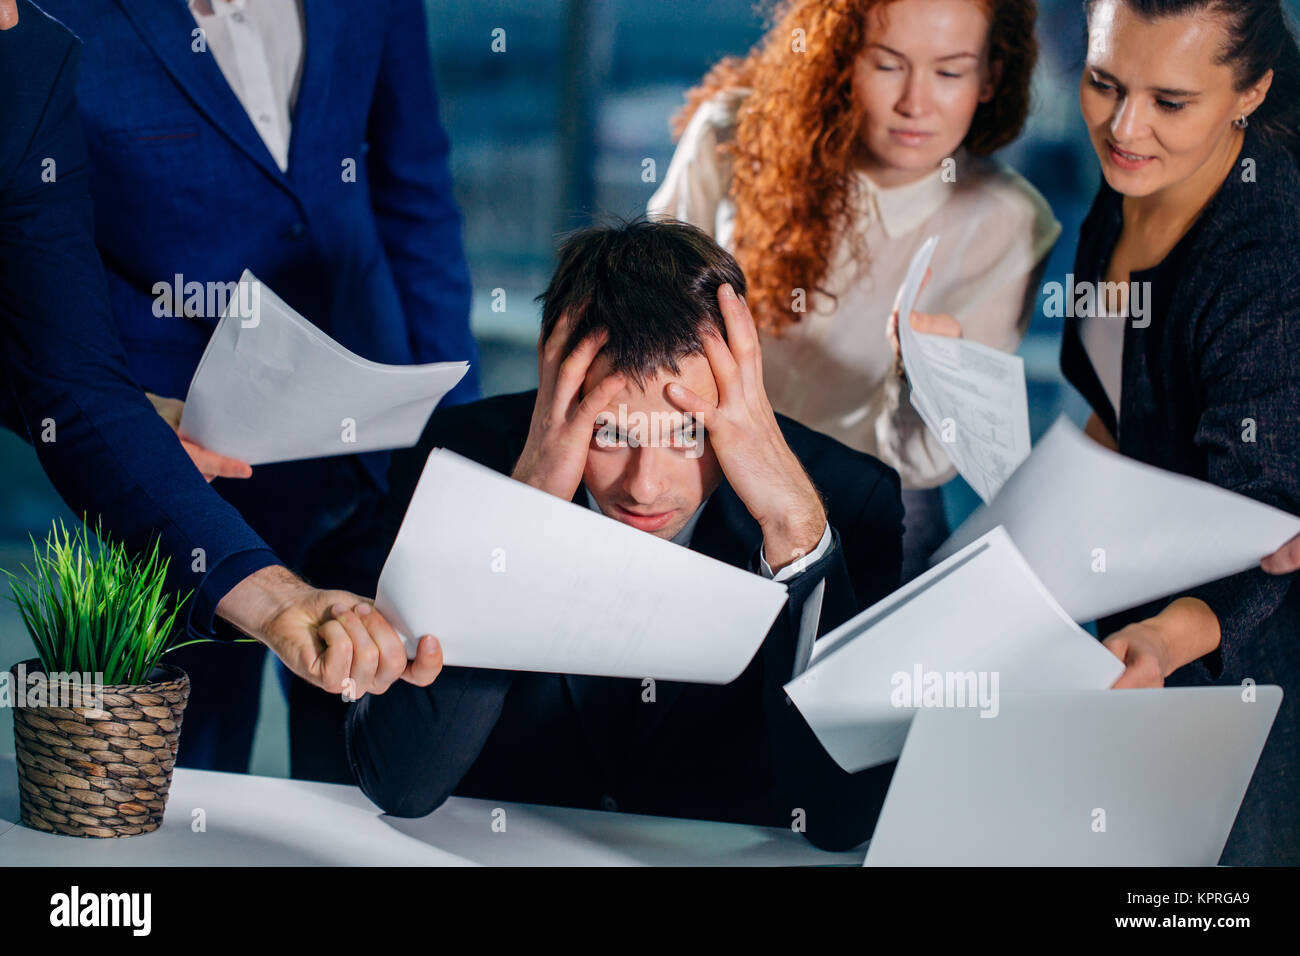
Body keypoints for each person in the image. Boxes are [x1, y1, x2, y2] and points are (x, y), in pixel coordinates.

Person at [343, 219, 905, 851]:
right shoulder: (455, 463)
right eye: (609, 433)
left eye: (687, 433)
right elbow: (401, 782)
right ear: (559, 389)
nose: (645, 486)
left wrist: (796, 534)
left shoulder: (852, 505)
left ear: (741, 398)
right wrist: (516, 509)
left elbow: (843, 821)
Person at [35, 0, 480, 778]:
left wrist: (459, 446)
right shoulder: (40, 15)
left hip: (372, 429)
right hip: (172, 446)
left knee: (377, 750)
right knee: (179, 774)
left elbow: (415, 191)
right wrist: (118, 420)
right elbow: (27, 255)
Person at [648, 0, 1060, 580]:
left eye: (950, 72)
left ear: (990, 75)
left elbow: (926, 461)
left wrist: (927, 375)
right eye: (888, 65)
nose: (915, 103)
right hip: (706, 460)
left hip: (874, 488)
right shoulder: (732, 132)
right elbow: (642, 319)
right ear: (842, 57)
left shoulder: (1008, 219)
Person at [1062, 0, 1300, 864]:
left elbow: (1270, 523)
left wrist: (1162, 639)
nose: (1125, 127)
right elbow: (1117, 409)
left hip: (1238, 655)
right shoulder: (1133, 173)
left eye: (1170, 101)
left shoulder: (1268, 252)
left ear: (1251, 92)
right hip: (1136, 622)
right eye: (1103, 82)